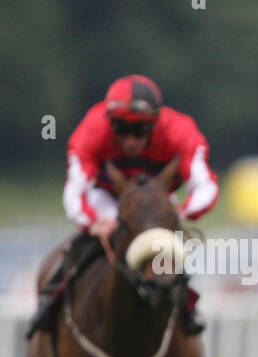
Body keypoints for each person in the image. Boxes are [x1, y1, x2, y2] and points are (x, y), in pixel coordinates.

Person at [29, 74, 217, 337]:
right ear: (110, 123)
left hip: (156, 201)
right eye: (121, 129)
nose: (130, 140)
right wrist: (92, 223)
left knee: (171, 247)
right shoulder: (92, 130)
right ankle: (51, 299)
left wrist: (183, 210)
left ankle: (187, 305)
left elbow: (206, 185)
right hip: (108, 198)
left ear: (155, 124)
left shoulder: (180, 130)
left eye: (139, 130)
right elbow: (74, 190)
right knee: (86, 243)